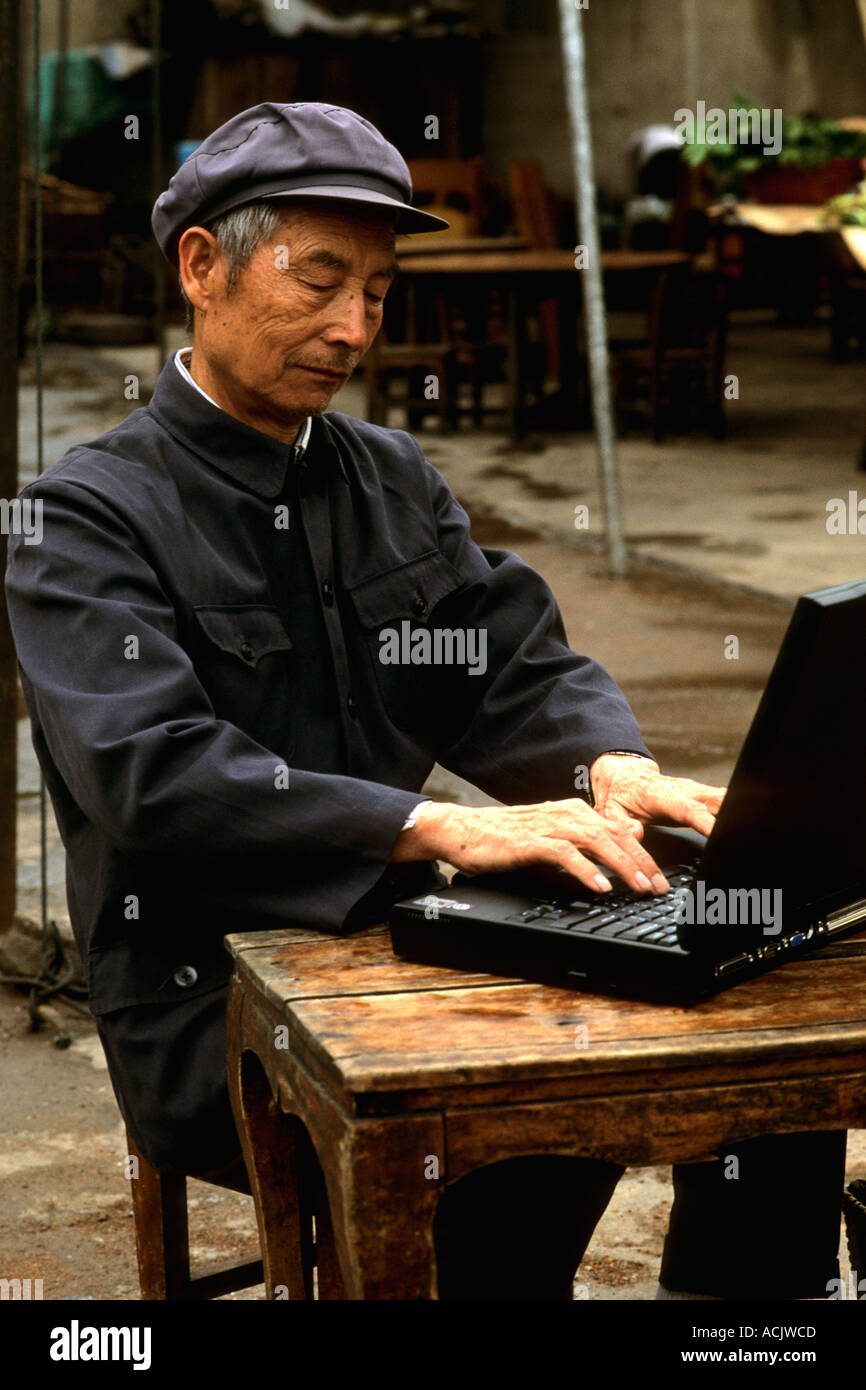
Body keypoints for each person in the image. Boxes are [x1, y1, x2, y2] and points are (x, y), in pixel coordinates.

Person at [5, 102, 845, 1301]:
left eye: (381, 292)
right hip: (214, 995)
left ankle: (739, 1316)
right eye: (320, 278)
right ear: (202, 265)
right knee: (528, 1121)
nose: (353, 328)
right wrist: (440, 825)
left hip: (414, 944)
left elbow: (510, 667)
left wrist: (608, 763)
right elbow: (156, 775)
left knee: (754, 1005)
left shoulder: (387, 477)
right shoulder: (85, 520)